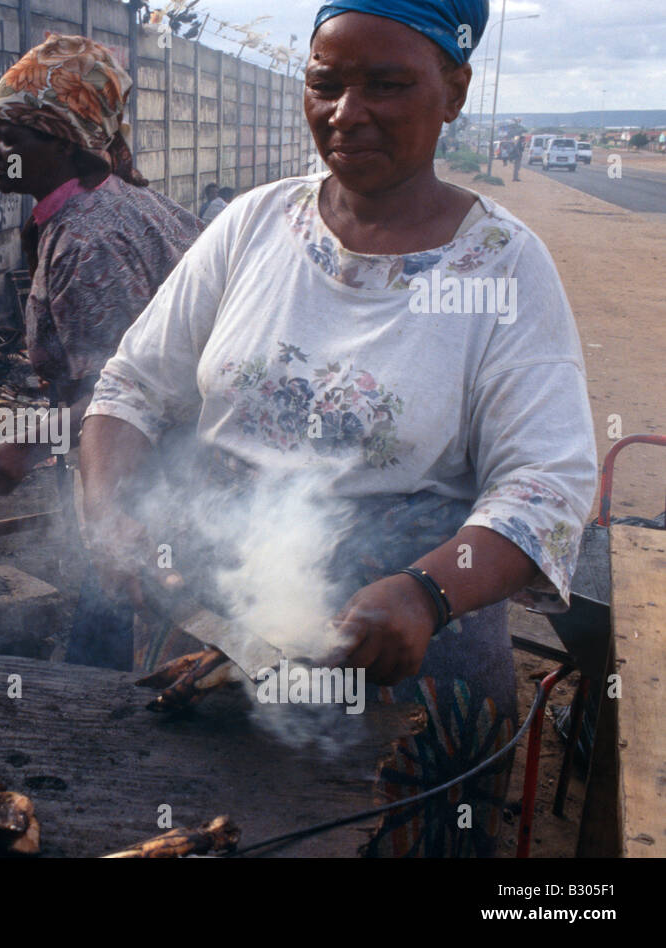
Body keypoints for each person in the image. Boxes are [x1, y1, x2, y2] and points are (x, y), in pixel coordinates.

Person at [78, 0, 597, 857]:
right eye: (325, 83)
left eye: (387, 86)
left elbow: (545, 490)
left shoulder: (503, 266)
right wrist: (107, 513)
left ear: (455, 90)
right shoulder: (253, 225)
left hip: (405, 651)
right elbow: (130, 387)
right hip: (216, 625)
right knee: (196, 833)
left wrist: (426, 593)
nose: (346, 114)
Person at [0, 33, 203, 669]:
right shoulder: (119, 203)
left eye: (15, 135)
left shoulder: (89, 242)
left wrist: (29, 440)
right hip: (163, 469)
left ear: (66, 142)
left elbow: (126, 397)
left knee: (118, 641)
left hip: (158, 477)